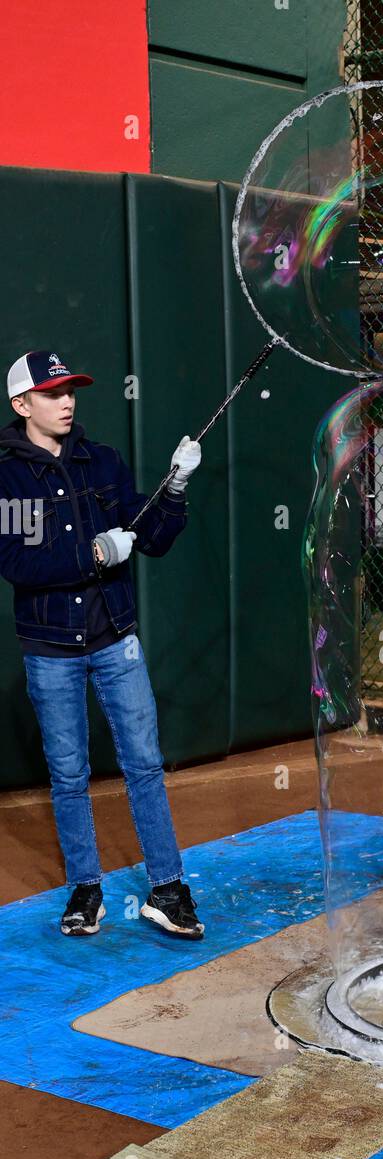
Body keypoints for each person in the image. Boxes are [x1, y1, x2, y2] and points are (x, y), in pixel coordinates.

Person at [0, 349, 204, 939]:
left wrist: (175, 486)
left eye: (71, 391)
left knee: (144, 764)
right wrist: (94, 553)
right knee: (68, 775)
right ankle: (85, 890)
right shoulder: (8, 477)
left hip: (115, 639)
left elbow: (153, 537)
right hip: (50, 649)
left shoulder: (102, 462)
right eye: (51, 393)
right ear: (22, 405)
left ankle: (168, 889)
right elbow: (19, 563)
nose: (66, 401)